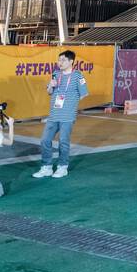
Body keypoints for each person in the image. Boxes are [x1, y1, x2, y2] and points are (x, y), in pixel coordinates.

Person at [33, 50, 88, 178]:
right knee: (45, 140)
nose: (60, 63)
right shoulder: (56, 74)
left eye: (63, 60)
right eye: (59, 60)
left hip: (67, 117)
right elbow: (49, 92)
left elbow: (84, 94)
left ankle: (62, 167)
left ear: (71, 61)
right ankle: (46, 167)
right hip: (53, 115)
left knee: (63, 141)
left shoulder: (78, 76)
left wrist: (70, 104)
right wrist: (50, 86)